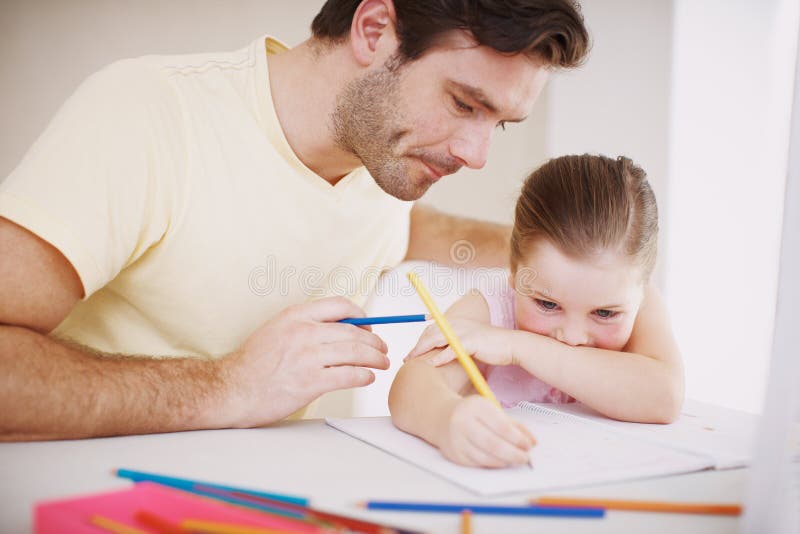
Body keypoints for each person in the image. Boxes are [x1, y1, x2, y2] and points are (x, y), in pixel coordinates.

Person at [0, 1, 590, 440]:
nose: (477, 154)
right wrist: (228, 387)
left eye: (499, 123)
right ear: (374, 30)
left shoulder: (382, 161)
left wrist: (570, 264)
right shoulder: (148, 115)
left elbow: (402, 228)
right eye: (463, 103)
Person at [389, 154, 684, 468]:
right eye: (547, 304)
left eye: (604, 314)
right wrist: (445, 419)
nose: (572, 337)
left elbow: (664, 397)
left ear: (642, 286)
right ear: (515, 272)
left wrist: (518, 346)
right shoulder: (490, 308)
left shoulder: (639, 302)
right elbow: (410, 386)